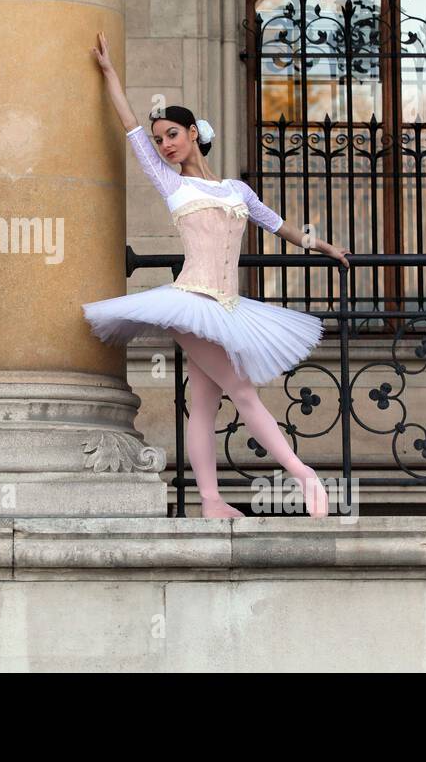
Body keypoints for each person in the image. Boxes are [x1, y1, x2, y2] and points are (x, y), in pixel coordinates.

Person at [82, 32, 349, 519]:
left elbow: (277, 224)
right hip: (191, 301)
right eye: (160, 138)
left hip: (230, 307)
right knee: (243, 391)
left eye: (172, 135)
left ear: (192, 134)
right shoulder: (170, 182)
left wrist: (322, 245)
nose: (164, 144)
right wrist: (109, 74)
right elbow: (129, 127)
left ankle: (210, 501)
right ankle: (302, 474)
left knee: (204, 406)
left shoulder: (236, 190)